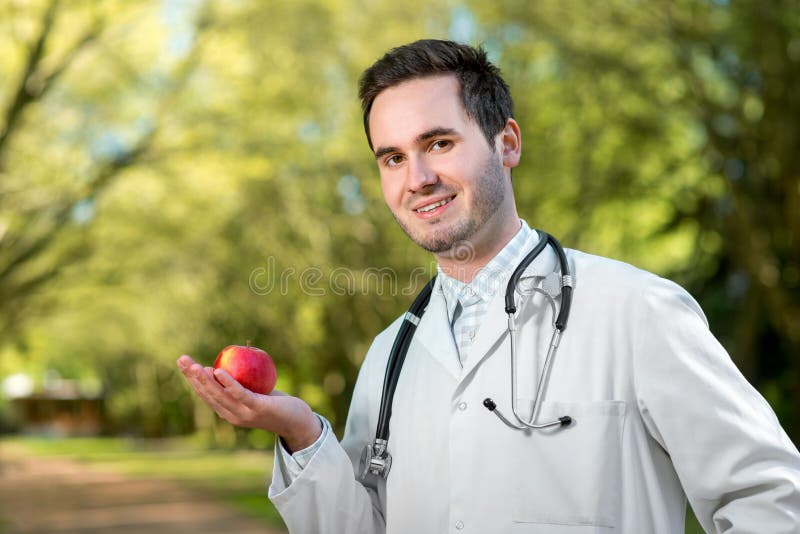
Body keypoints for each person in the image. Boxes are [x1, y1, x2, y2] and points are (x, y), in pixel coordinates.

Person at [177, 39, 800, 533]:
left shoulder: (638, 312)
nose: (417, 178)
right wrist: (301, 433)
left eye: (439, 143)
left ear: (507, 143)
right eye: (392, 157)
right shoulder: (387, 358)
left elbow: (771, 500)